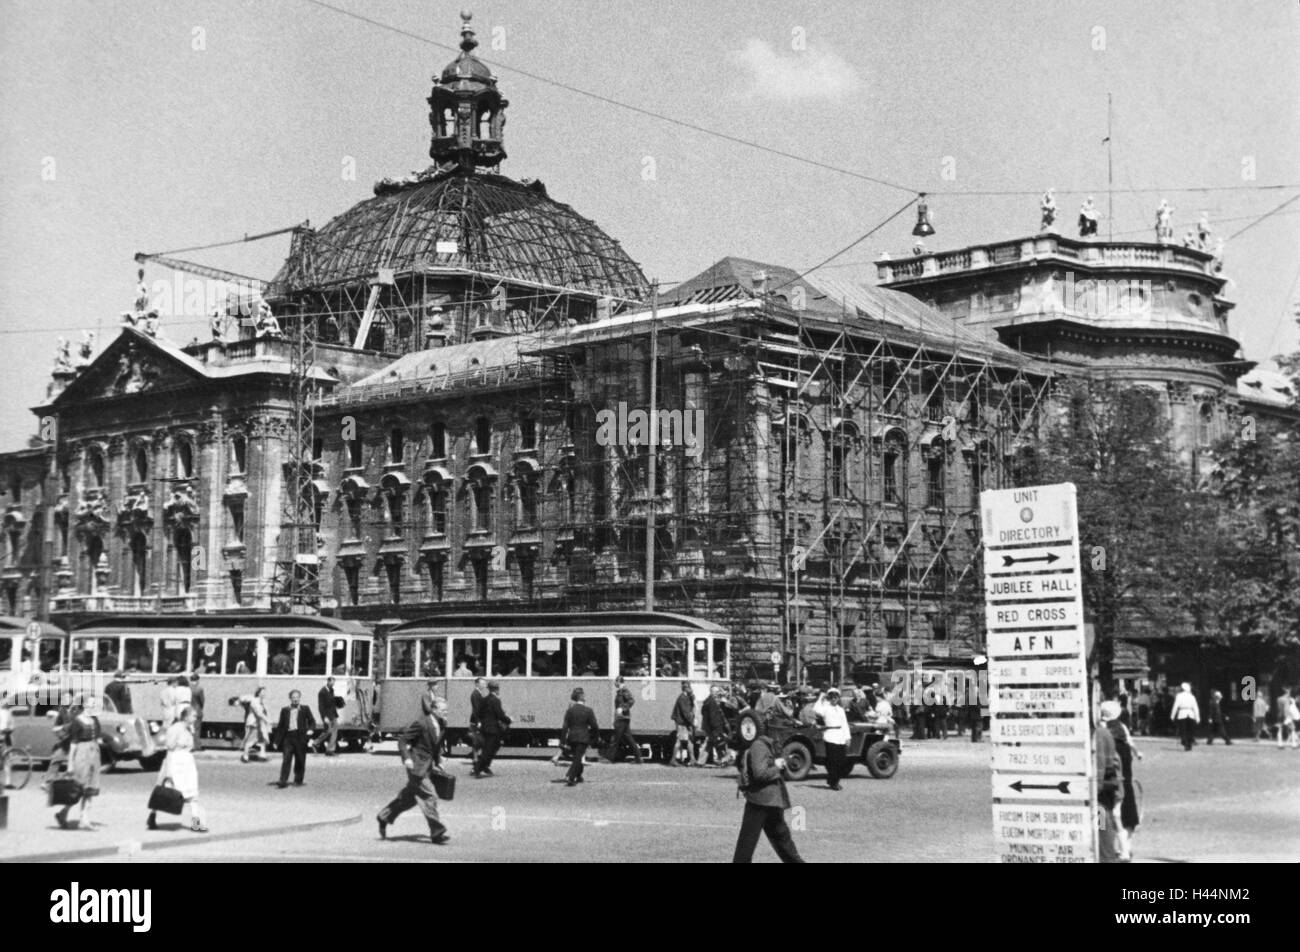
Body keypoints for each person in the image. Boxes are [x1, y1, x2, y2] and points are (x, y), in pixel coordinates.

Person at [732, 714, 804, 864]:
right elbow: (760, 773)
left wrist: (779, 765)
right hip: (762, 800)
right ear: (770, 730)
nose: (781, 735)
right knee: (753, 841)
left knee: (778, 840)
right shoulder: (759, 746)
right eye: (779, 730)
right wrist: (776, 766)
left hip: (766, 800)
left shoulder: (766, 744)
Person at [376, 704, 450, 846]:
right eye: (443, 710)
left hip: (427, 766)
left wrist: (439, 760)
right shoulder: (422, 722)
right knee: (430, 796)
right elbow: (403, 740)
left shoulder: (441, 723)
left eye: (446, 710)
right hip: (416, 766)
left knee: (409, 798)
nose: (446, 712)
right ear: (434, 710)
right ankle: (437, 832)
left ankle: (383, 816)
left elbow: (436, 745)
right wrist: (407, 758)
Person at [149, 704, 208, 833]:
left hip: (187, 764)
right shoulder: (175, 729)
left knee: (192, 794)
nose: (195, 718)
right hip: (176, 763)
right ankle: (152, 816)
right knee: (166, 791)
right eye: (193, 716)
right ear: (185, 717)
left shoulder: (189, 729)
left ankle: (195, 823)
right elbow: (170, 749)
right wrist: (169, 771)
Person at [1102, 700, 1142, 862]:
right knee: (1127, 814)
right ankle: (1125, 848)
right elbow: (1132, 744)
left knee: (1103, 814)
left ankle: (1108, 848)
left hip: (1105, 780)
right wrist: (1138, 754)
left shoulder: (1099, 730)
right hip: (1125, 775)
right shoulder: (1122, 728)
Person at [54, 701, 100, 830]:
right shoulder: (77, 721)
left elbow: (97, 736)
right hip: (81, 753)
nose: (93, 707)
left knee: (90, 789)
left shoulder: (95, 720)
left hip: (94, 753)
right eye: (90, 704)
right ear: (84, 706)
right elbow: (73, 743)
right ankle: (63, 813)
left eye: (94, 705)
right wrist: (70, 764)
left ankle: (84, 820)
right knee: (78, 788)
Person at [1094, 713, 1123, 863]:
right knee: (1106, 823)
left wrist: (1096, 789)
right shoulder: (1105, 733)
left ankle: (1106, 858)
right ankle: (1108, 856)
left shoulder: (1099, 734)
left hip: (1101, 792)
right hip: (1108, 788)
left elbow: (1100, 764)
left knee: (1102, 825)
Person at [275, 690, 317, 787]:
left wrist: (310, 730)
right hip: (288, 738)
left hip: (300, 737)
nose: (295, 699)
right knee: (286, 759)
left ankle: (298, 780)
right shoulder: (285, 710)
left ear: (299, 698)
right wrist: (277, 741)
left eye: (297, 697)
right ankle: (283, 780)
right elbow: (280, 726)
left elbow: (312, 721)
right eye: (293, 697)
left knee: (300, 760)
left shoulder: (305, 709)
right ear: (290, 698)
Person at [561, 688, 599, 787]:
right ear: (583, 698)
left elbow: (565, 727)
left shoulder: (570, 711)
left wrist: (562, 741)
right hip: (583, 737)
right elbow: (594, 726)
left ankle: (579, 775)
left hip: (572, 737)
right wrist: (595, 738)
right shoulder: (588, 711)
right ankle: (571, 777)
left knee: (577, 757)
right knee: (578, 757)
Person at [815, 687, 850, 790]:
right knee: (832, 761)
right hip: (830, 735)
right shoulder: (825, 708)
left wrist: (848, 737)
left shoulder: (841, 710)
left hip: (840, 736)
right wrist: (821, 697)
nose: (834, 699)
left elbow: (845, 724)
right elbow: (816, 710)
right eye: (831, 697)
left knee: (841, 761)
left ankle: (833, 780)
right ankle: (834, 782)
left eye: (836, 697)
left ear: (838, 698)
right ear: (829, 698)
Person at [473, 681, 509, 778]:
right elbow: (500, 715)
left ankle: (483, 766)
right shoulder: (496, 700)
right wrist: (509, 720)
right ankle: (479, 769)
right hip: (493, 729)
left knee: (490, 748)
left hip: (485, 728)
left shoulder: (484, 699)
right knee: (489, 750)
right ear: (497, 689)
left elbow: (479, 713)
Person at [604, 675, 642, 764]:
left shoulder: (624, 691)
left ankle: (609, 758)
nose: (614, 684)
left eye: (615, 682)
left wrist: (623, 708)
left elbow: (631, 700)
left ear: (619, 682)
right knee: (629, 738)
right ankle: (638, 758)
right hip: (623, 718)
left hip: (622, 718)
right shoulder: (621, 691)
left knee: (615, 739)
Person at [697, 685, 731, 767]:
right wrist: (717, 728)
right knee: (719, 743)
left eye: (717, 691)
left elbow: (703, 712)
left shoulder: (707, 701)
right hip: (714, 727)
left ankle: (701, 762)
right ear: (711, 692)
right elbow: (713, 717)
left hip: (708, 727)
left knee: (711, 743)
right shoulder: (712, 702)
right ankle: (723, 760)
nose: (717, 693)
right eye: (715, 692)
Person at [238, 687, 270, 762]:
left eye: (265, 692)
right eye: (263, 692)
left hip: (260, 724)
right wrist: (267, 720)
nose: (264, 694)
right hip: (254, 723)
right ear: (259, 693)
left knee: (262, 739)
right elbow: (258, 713)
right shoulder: (255, 701)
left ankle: (262, 755)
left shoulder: (261, 702)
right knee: (251, 739)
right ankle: (245, 756)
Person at [670, 681, 697, 766]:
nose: (691, 689)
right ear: (686, 688)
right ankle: (673, 760)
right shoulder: (683, 698)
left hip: (683, 723)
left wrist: (693, 697)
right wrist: (693, 722)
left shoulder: (685, 697)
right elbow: (686, 712)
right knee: (681, 741)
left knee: (687, 741)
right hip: (682, 723)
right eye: (690, 687)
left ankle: (692, 759)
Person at [315, 676, 342, 755]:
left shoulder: (331, 690)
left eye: (334, 683)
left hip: (333, 714)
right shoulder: (322, 692)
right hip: (327, 715)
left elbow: (332, 702)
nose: (333, 684)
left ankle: (330, 750)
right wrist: (324, 717)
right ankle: (316, 742)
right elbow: (321, 706)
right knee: (328, 731)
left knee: (334, 732)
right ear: (328, 681)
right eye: (332, 682)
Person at [1170, 682, 1200, 751]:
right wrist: (1197, 717)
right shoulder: (1192, 696)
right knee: (1190, 730)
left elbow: (1175, 706)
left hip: (1182, 714)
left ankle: (1185, 742)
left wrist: (1172, 715)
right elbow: (1195, 707)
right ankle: (1189, 744)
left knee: (1183, 730)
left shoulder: (1179, 696)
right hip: (1191, 714)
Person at [467, 677, 487, 767]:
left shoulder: (478, 693)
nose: (484, 685)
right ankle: (475, 759)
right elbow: (476, 709)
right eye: (482, 683)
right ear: (477, 684)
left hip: (477, 720)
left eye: (484, 683)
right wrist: (478, 721)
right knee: (477, 740)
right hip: (476, 721)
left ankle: (475, 757)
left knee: (477, 740)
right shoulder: (475, 694)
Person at [189, 674, 206, 751]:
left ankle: (191, 745)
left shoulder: (187, 688)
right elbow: (202, 701)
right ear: (198, 680)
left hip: (189, 710)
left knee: (190, 728)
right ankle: (197, 746)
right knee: (197, 729)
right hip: (197, 709)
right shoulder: (199, 689)